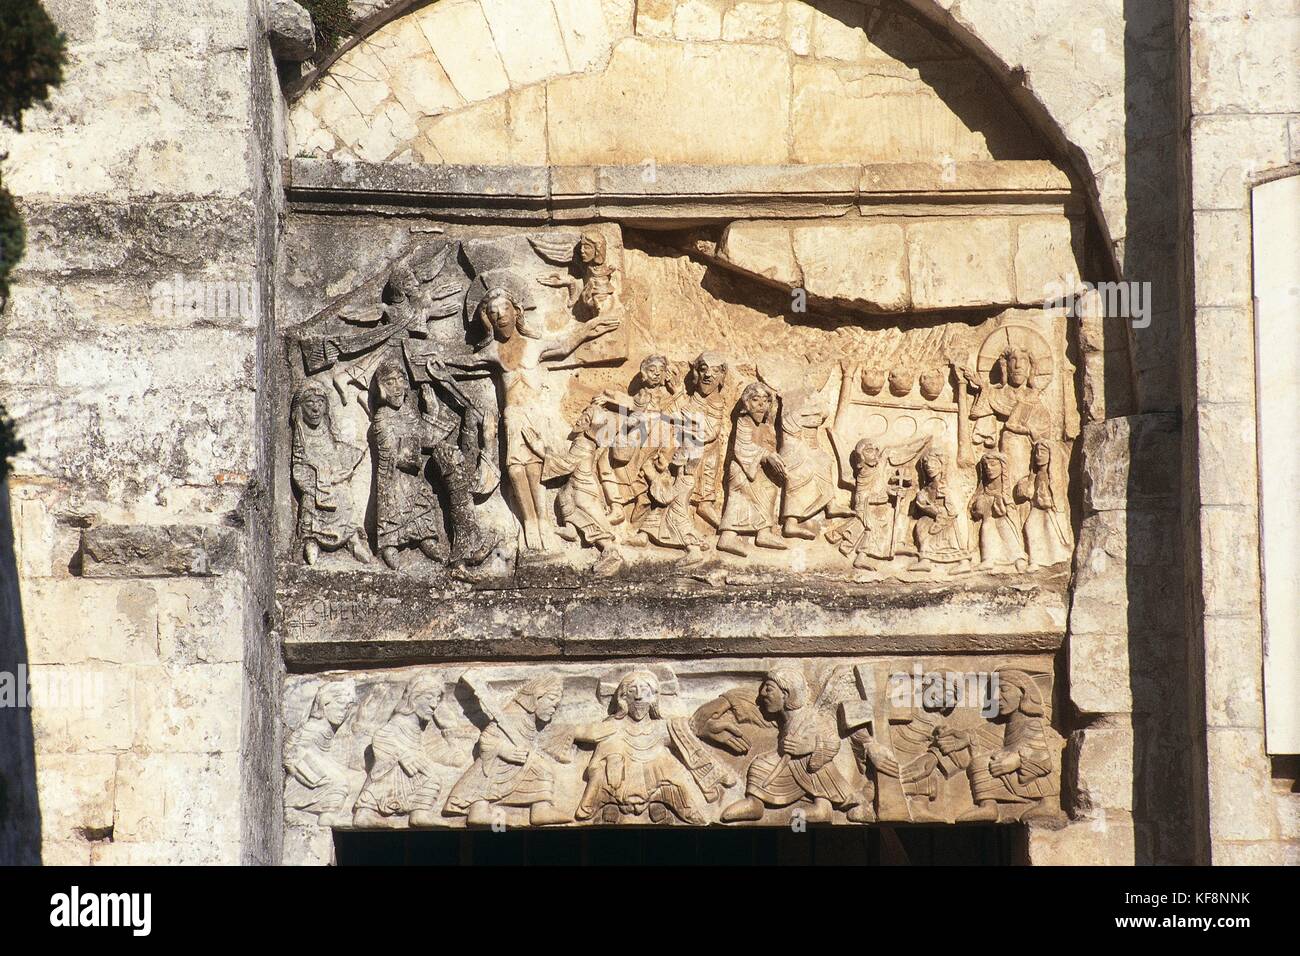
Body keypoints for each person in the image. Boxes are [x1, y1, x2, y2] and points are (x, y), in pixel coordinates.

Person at [436, 286, 619, 553]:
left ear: (516, 312)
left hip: (534, 415)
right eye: (493, 312)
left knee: (536, 468)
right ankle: (529, 523)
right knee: (515, 469)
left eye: (504, 309)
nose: (500, 316)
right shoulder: (494, 352)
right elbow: (468, 362)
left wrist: (595, 323)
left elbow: (567, 343)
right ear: (488, 319)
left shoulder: (535, 345)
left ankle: (543, 522)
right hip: (513, 417)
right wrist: (440, 362)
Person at [574, 670, 730, 824]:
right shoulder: (614, 724)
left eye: (645, 690)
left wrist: (704, 729)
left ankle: (667, 804)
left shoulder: (662, 727)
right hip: (619, 778)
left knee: (673, 771)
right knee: (601, 774)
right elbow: (590, 738)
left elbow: (686, 737)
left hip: (657, 776)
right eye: (632, 690)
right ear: (623, 698)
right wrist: (612, 757)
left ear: (654, 697)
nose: (638, 696)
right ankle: (610, 804)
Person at [721, 666, 859, 824]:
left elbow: (833, 741)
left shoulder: (811, 717)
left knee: (816, 768)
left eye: (769, 689)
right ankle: (755, 803)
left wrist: (809, 747)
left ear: (785, 694)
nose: (762, 694)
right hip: (788, 767)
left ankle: (823, 807)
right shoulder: (786, 720)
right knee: (760, 764)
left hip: (810, 769)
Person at [443, 676, 571, 827]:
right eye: (552, 703)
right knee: (485, 782)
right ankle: (479, 812)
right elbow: (486, 739)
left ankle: (541, 809)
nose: (554, 710)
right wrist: (505, 750)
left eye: (556, 706)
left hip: (516, 767)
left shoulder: (528, 718)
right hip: (497, 766)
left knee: (542, 768)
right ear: (537, 697)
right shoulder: (512, 714)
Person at [957, 669, 1060, 822]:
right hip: (1018, 773)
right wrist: (967, 737)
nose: (996, 697)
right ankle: (989, 806)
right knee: (980, 761)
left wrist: (1016, 761)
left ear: (1023, 693)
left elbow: (1042, 758)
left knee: (982, 763)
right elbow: (988, 735)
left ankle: (1048, 804)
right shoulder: (1011, 723)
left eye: (1004, 689)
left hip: (1033, 775)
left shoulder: (1032, 722)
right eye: (993, 692)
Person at [289, 381, 370, 565]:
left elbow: (338, 454)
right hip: (315, 488)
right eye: (309, 403)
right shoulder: (301, 437)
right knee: (309, 502)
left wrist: (344, 468)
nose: (315, 409)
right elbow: (299, 469)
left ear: (326, 406)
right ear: (300, 408)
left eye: (320, 402)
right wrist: (325, 479)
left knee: (345, 495)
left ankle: (352, 539)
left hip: (336, 483)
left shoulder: (328, 431)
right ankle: (311, 540)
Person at [541, 401, 625, 576]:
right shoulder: (586, 442)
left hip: (583, 489)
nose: (579, 420)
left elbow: (565, 465)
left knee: (599, 531)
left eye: (586, 420)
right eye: (582, 416)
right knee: (564, 498)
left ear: (590, 428)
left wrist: (540, 450)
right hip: (577, 486)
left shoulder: (583, 443)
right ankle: (570, 530)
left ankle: (612, 554)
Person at [353, 673, 448, 828]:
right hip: (394, 767)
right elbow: (380, 737)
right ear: (414, 698)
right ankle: (365, 813)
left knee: (432, 778)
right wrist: (402, 756)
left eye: (437, 699)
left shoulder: (414, 725)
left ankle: (419, 813)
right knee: (383, 781)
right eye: (429, 697)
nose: (434, 704)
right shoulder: (400, 721)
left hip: (408, 770)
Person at [717, 382, 787, 556]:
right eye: (755, 400)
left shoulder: (765, 426)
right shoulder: (743, 422)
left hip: (756, 470)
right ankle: (727, 536)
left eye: (765, 401)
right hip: (742, 469)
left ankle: (763, 533)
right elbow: (742, 447)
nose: (761, 405)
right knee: (739, 499)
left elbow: (769, 447)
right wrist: (765, 455)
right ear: (746, 403)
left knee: (770, 489)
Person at [284, 682, 361, 827]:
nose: (342, 711)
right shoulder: (314, 727)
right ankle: (327, 816)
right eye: (339, 704)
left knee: (351, 780)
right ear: (325, 704)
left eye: (346, 708)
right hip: (308, 773)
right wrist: (310, 776)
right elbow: (291, 752)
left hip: (318, 767)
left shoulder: (325, 728)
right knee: (340, 782)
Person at [1014, 440, 1072, 568]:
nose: (1039, 455)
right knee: (1030, 527)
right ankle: (1035, 561)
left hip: (1051, 509)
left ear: (1051, 454)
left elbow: (1058, 492)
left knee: (1051, 531)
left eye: (1043, 452)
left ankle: (1058, 557)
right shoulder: (1036, 474)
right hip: (1037, 507)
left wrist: (1050, 501)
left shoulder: (1054, 474)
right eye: (1037, 452)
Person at [969, 452, 1028, 570]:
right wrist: (979, 504)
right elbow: (975, 507)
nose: (989, 468)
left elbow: (1009, 504)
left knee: (1006, 527)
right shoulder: (984, 486)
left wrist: (1001, 502)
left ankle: (1018, 557)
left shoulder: (1006, 484)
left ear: (1002, 466)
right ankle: (988, 559)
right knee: (987, 526)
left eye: (993, 464)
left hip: (1005, 516)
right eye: (985, 466)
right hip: (988, 516)